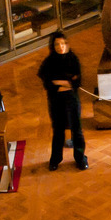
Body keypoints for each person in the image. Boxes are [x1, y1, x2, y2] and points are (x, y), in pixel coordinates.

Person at [37, 31, 87, 170]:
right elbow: (48, 83)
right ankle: (55, 160)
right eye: (57, 44)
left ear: (67, 44)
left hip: (72, 100)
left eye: (63, 43)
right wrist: (67, 82)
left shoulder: (73, 59)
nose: (61, 47)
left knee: (77, 131)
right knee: (58, 131)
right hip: (56, 101)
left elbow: (77, 83)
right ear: (53, 46)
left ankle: (80, 158)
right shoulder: (49, 62)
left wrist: (59, 82)